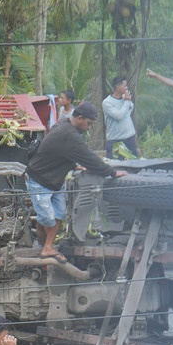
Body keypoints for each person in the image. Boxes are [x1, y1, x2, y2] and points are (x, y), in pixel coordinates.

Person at [25, 101, 126, 262]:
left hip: (54, 181)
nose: (89, 127)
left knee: (58, 214)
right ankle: (43, 245)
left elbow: (57, 151)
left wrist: (73, 164)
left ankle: (47, 247)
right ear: (79, 118)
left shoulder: (64, 123)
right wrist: (112, 172)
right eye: (88, 123)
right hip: (39, 180)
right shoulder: (69, 135)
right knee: (47, 218)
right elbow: (90, 158)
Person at [102, 76, 140, 159]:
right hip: (115, 141)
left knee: (134, 164)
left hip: (129, 138)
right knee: (116, 167)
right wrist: (126, 102)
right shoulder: (107, 102)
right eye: (124, 86)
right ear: (118, 87)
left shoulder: (124, 98)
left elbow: (130, 108)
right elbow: (118, 116)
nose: (126, 88)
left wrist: (126, 101)